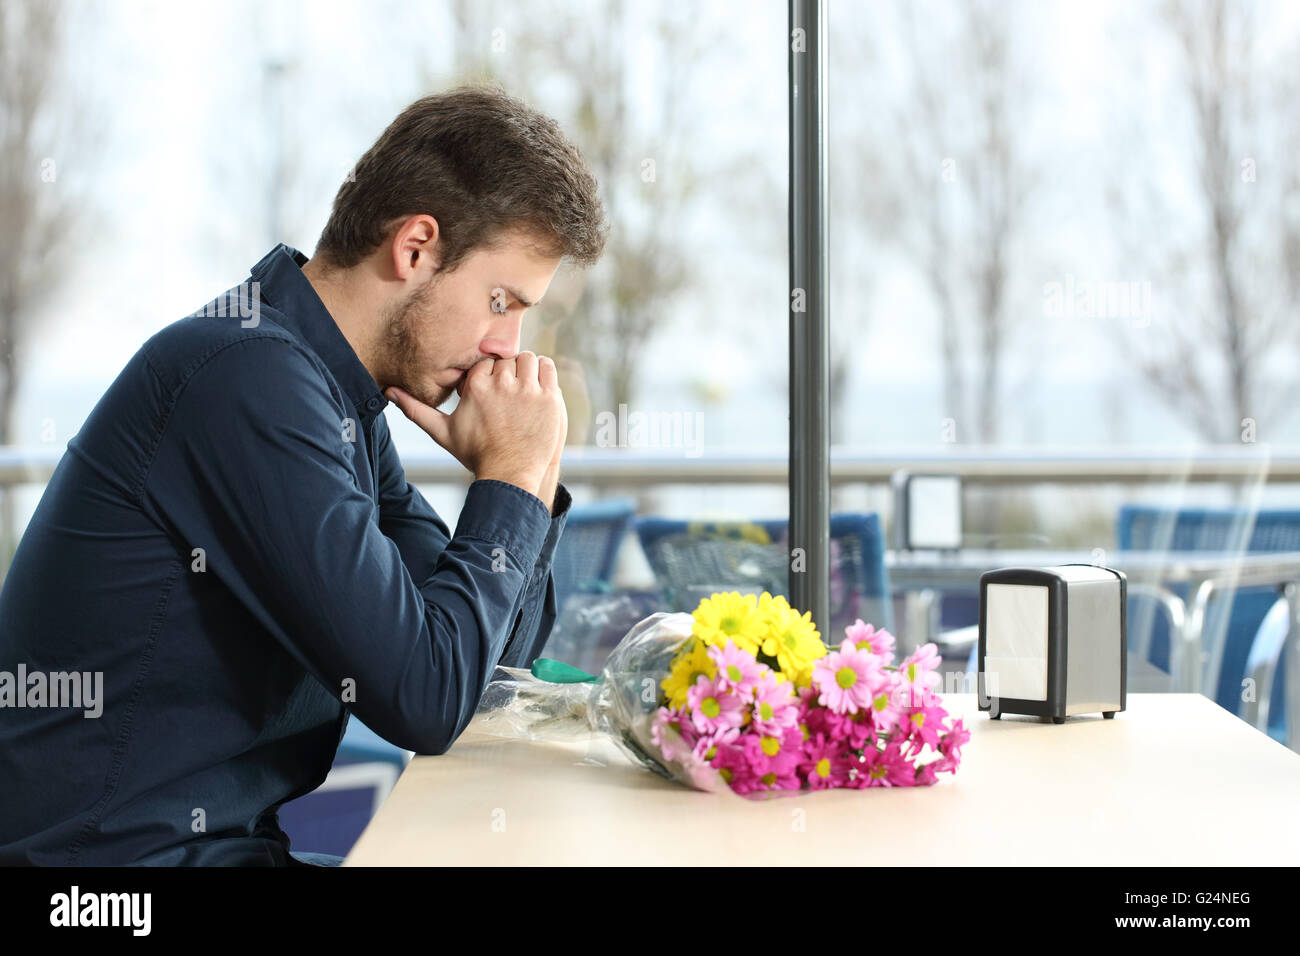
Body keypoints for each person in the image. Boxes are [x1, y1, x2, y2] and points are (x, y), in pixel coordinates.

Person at [0, 84, 608, 865]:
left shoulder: (328, 394)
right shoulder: (249, 380)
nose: (507, 345)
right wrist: (513, 478)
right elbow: (425, 700)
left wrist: (531, 469)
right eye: (501, 300)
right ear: (416, 246)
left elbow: (490, 669)